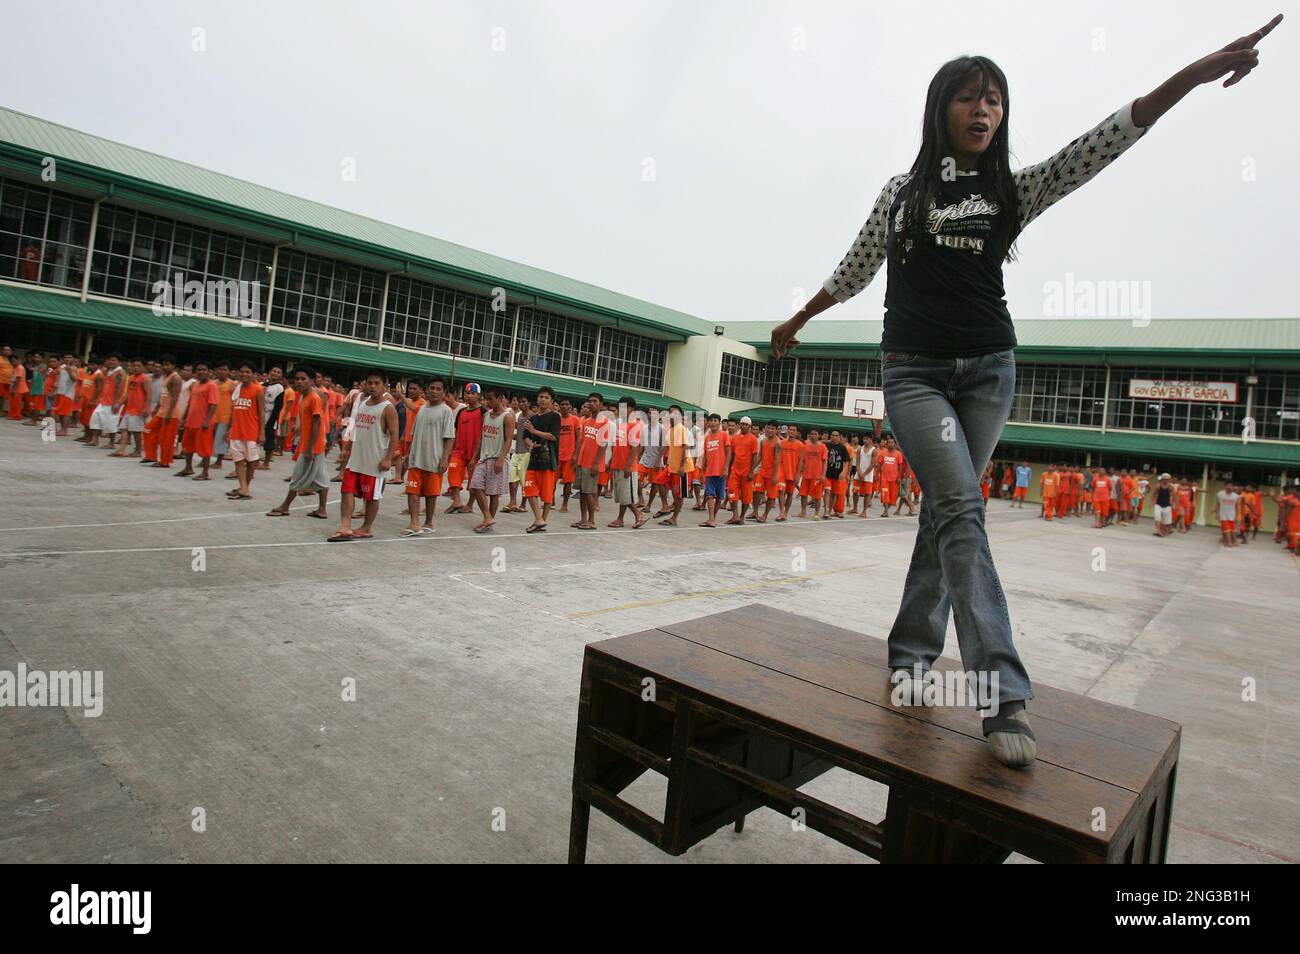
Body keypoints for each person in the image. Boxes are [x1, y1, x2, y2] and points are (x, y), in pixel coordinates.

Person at [767, 21, 1282, 765]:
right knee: (962, 507)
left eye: (996, 101)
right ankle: (1003, 692)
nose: (984, 112)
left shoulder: (1015, 188)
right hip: (913, 373)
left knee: (949, 512)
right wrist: (799, 317)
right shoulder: (900, 195)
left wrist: (1193, 75)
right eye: (970, 99)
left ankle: (912, 654)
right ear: (940, 107)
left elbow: (1107, 139)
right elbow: (855, 269)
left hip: (989, 371)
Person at [329, 371, 397, 541]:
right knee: (346, 490)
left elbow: (395, 435)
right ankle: (345, 526)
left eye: (376, 383)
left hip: (374, 461)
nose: (372, 386)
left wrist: (388, 459)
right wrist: (347, 449)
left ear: (384, 386)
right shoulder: (363, 404)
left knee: (371, 497)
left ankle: (366, 527)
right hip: (356, 459)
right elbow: (356, 429)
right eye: (370, 383)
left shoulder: (388, 408)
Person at [267, 368, 331, 519]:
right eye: (297, 379)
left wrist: (309, 448)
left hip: (313, 447)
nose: (299, 382)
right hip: (313, 445)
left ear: (311, 381)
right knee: (321, 478)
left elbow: (317, 424)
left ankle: (285, 506)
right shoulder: (303, 397)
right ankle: (322, 509)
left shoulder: (313, 398)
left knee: (297, 476)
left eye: (303, 379)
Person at [401, 376, 456, 536]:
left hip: (434, 460)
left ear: (444, 393)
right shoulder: (422, 409)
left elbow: (449, 438)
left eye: (438, 389)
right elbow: (414, 433)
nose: (434, 391)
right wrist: (408, 454)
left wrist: (445, 459)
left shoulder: (446, 411)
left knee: (431, 494)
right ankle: (414, 522)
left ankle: (429, 522)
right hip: (416, 459)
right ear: (427, 390)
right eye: (432, 388)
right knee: (412, 490)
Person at [468, 387, 515, 533]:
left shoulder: (507, 417)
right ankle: (487, 517)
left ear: (500, 398)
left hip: (497, 458)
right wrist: (474, 457)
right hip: (484, 458)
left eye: (490, 399)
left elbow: (508, 440)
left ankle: (488, 521)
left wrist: (501, 458)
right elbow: (481, 437)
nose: (487, 402)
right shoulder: (486, 415)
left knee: (493, 493)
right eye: (486, 399)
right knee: (475, 485)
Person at [521, 386, 562, 533]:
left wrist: (534, 431)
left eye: (546, 397)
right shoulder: (532, 417)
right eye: (540, 397)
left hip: (548, 459)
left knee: (546, 495)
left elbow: (553, 436)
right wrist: (530, 444)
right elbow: (525, 436)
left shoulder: (555, 416)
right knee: (528, 487)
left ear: (551, 401)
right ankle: (539, 519)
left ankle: (541, 521)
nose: (542, 400)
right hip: (534, 459)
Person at [225, 362, 265, 500]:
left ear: (253, 374)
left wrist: (262, 432)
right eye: (242, 371)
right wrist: (229, 429)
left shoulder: (258, 389)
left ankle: (244, 488)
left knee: (251, 462)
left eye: (247, 372)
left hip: (251, 431)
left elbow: (261, 413)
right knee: (238, 461)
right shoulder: (237, 389)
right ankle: (243, 488)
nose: (244, 374)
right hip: (237, 431)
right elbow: (233, 410)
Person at [446, 383, 484, 514]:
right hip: (459, 450)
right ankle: (456, 501)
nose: (469, 396)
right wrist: (451, 449)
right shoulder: (461, 411)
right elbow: (456, 431)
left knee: (474, 481)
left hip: (476, 452)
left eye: (472, 393)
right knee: (453, 470)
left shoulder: (483, 412)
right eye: (467, 393)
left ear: (478, 396)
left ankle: (469, 505)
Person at [177, 362, 218, 479]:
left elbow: (213, 405)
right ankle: (188, 468)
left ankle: (205, 472)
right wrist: (184, 418)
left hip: (204, 423)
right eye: (199, 370)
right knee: (187, 446)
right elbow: (190, 403)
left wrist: (207, 420)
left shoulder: (211, 386)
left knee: (205, 448)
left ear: (209, 371)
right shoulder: (195, 385)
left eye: (204, 369)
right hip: (191, 422)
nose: (201, 372)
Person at [725, 416, 760, 525]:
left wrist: (751, 471)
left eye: (746, 424)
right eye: (742, 424)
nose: (744, 426)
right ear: (739, 425)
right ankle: (735, 515)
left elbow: (755, 456)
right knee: (731, 493)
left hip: (747, 473)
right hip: (735, 471)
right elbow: (732, 455)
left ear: (749, 426)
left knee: (746, 497)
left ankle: (742, 517)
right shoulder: (734, 438)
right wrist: (728, 469)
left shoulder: (753, 439)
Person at [699, 413, 730, 528]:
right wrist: (702, 469)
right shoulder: (707, 437)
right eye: (711, 420)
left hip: (721, 471)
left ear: (719, 422)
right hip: (710, 471)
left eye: (715, 420)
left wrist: (726, 467)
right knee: (710, 495)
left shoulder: (724, 435)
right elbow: (706, 455)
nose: (713, 422)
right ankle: (711, 519)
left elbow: (729, 452)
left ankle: (713, 518)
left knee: (719, 497)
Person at [1214, 481, 1241, 547]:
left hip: (1232, 516)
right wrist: (1216, 513)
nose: (1229, 487)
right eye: (1228, 485)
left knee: (1232, 530)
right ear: (1225, 486)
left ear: (1233, 487)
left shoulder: (1236, 496)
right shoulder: (1220, 494)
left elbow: (1237, 507)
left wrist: (1236, 516)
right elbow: (1218, 504)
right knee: (1227, 529)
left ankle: (1234, 542)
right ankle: (1229, 543)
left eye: (1231, 486)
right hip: (1223, 515)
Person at [1152, 473, 1175, 537]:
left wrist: (1173, 504)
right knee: (1157, 517)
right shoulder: (1158, 486)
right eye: (1164, 479)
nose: (1165, 480)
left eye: (1167, 479)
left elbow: (1172, 496)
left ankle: (1168, 529)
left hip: (1167, 505)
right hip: (1158, 504)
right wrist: (1152, 502)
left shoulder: (1171, 487)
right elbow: (1154, 494)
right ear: (1162, 479)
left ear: (1169, 480)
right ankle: (1158, 530)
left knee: (1167, 521)